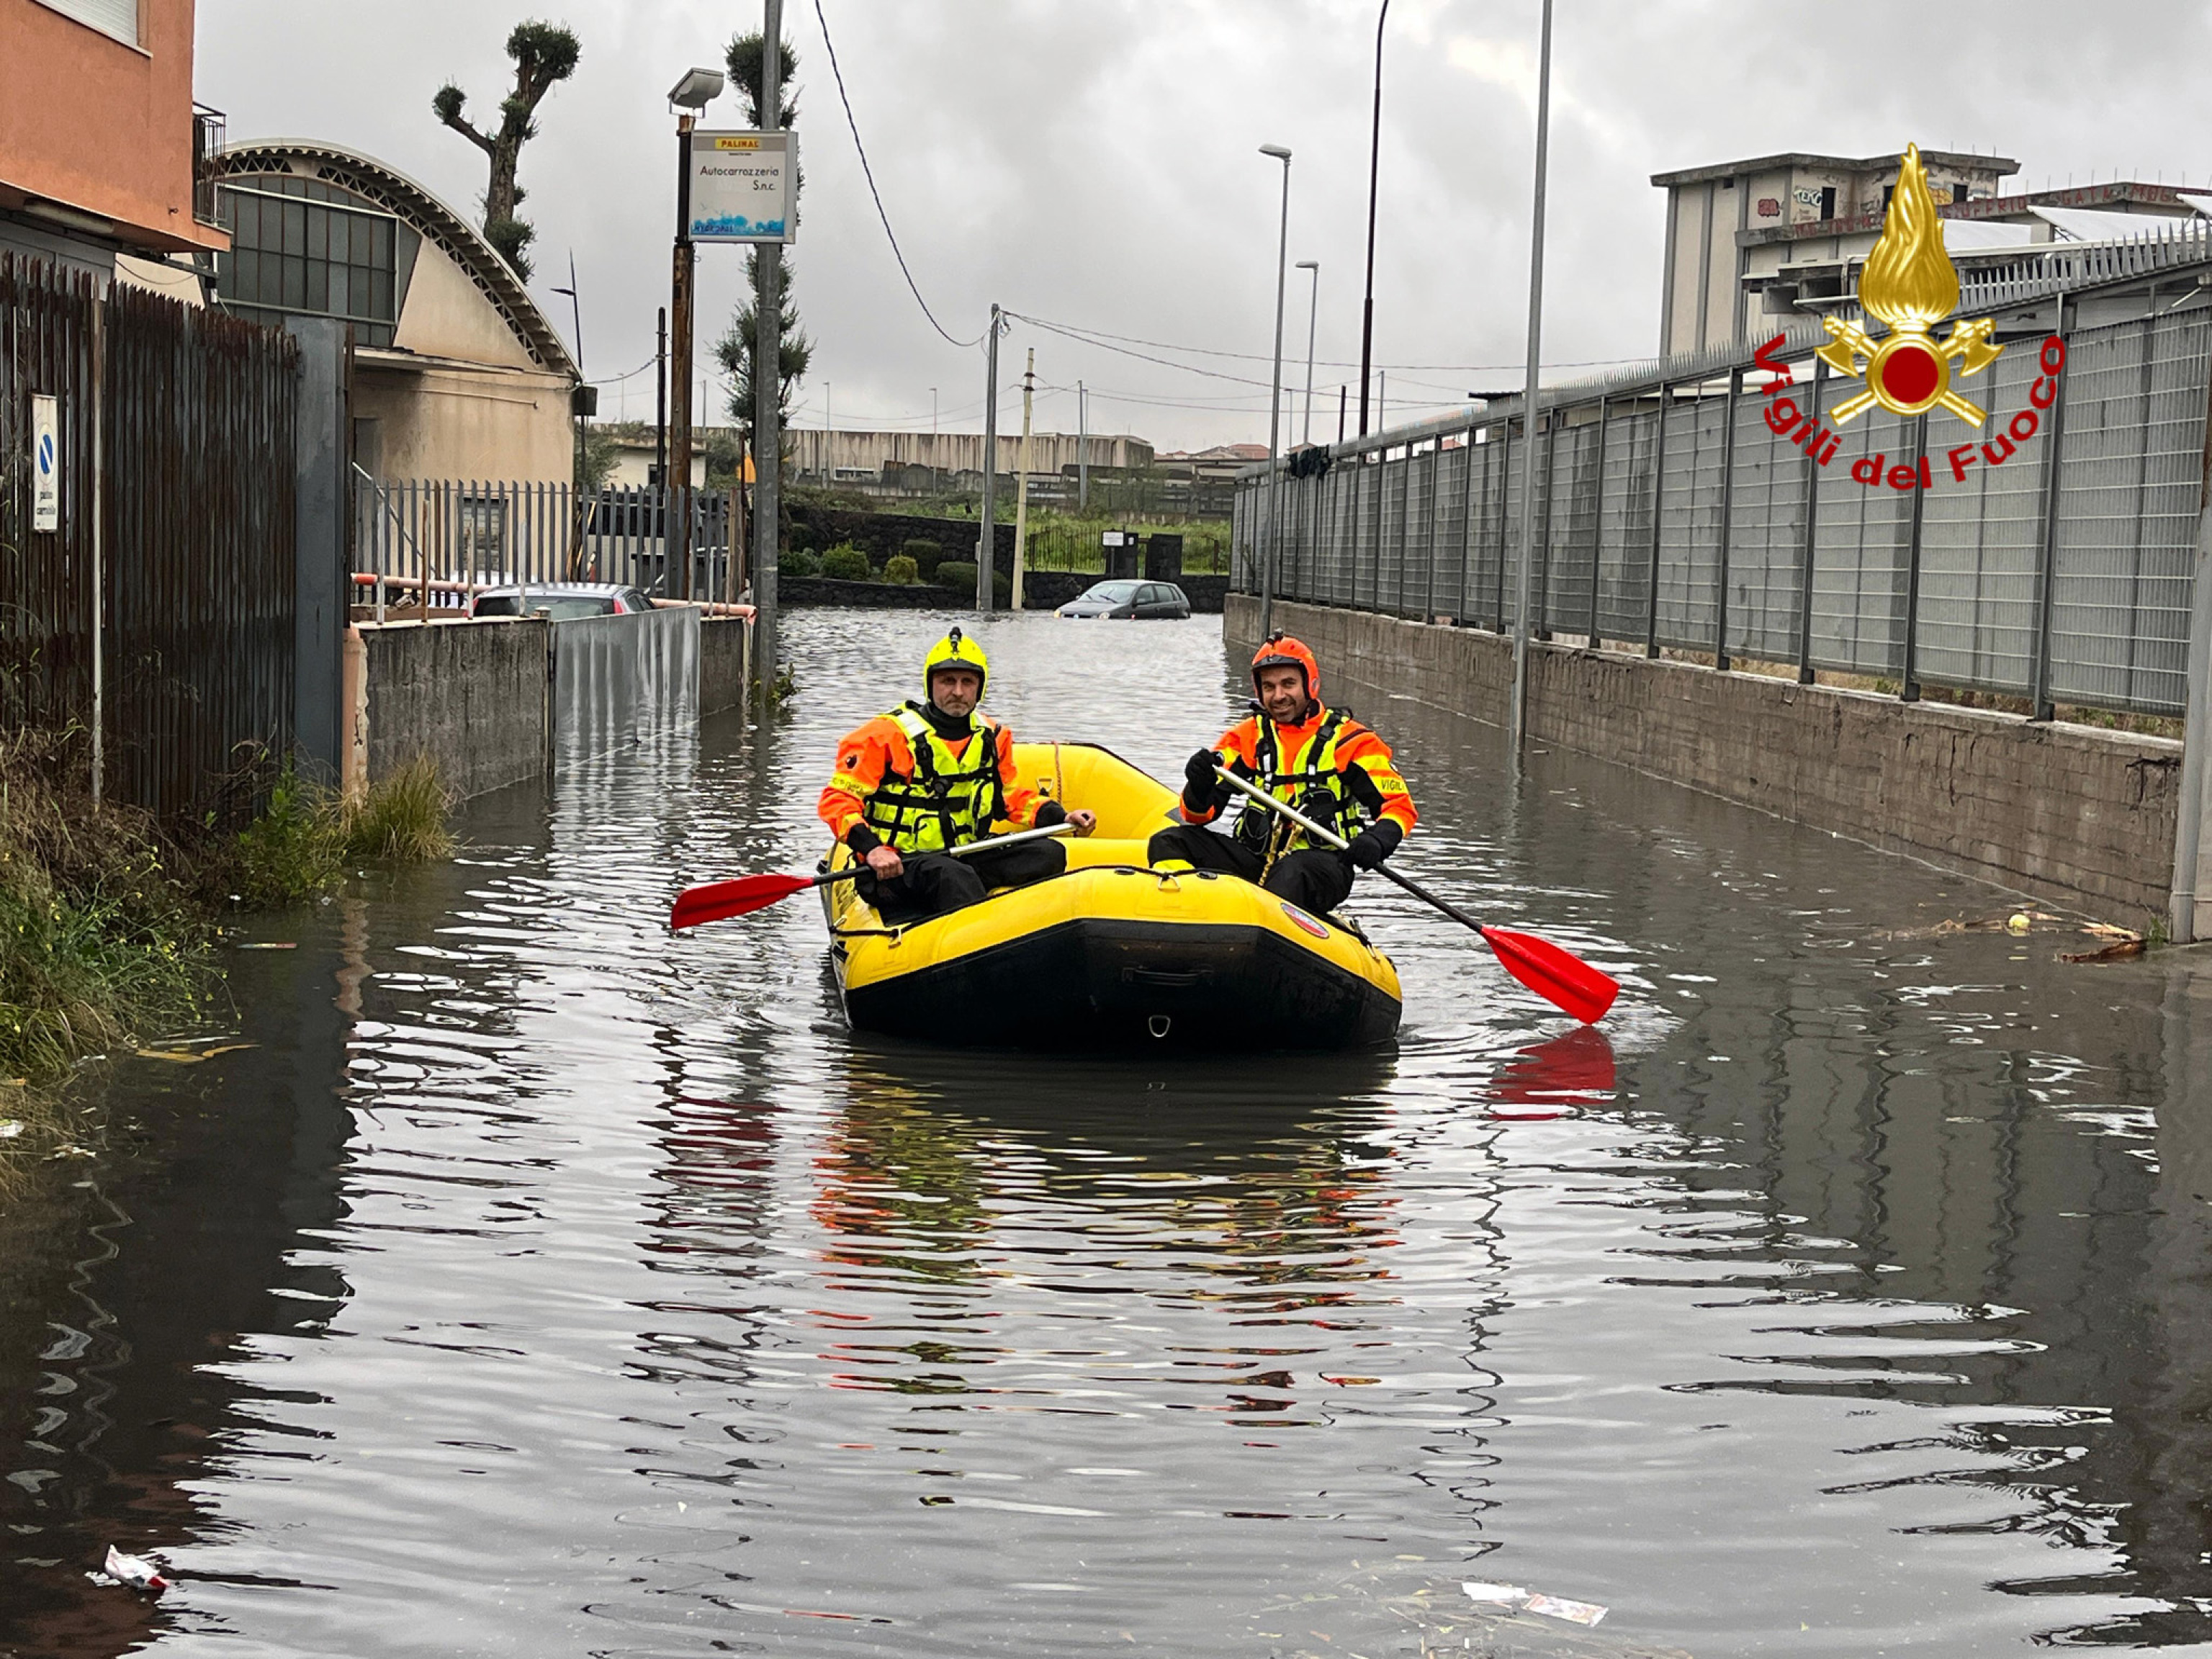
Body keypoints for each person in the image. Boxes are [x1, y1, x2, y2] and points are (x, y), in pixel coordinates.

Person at [817, 627, 1094, 923]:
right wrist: (872, 850)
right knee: (952, 876)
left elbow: (1008, 798)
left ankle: (1010, 920)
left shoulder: (992, 736)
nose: (958, 692)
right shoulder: (884, 735)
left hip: (964, 853)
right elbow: (837, 800)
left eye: (967, 682)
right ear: (931, 684)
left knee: (1047, 854)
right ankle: (972, 933)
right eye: (948, 681)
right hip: (899, 865)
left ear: (980, 688)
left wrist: (1062, 818)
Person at [1147, 633, 1416, 916]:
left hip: (1322, 865)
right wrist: (1199, 787)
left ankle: (1269, 933)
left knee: (1291, 872)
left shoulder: (1352, 741)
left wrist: (1376, 841)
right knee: (1168, 841)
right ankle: (1180, 916)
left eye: (1288, 684)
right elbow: (1198, 816)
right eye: (1269, 687)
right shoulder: (1247, 737)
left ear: (1310, 684)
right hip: (1256, 858)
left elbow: (1399, 807)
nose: (1279, 696)